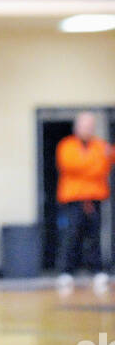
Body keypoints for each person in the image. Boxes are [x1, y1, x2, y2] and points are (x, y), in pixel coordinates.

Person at [55, 111, 114, 293]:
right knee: (71, 236)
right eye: (84, 126)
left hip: (95, 199)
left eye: (90, 126)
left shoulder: (101, 146)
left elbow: (104, 167)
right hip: (72, 200)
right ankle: (66, 272)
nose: (87, 129)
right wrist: (94, 165)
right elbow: (71, 166)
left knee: (95, 236)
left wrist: (92, 165)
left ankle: (97, 271)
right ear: (77, 127)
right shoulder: (66, 146)